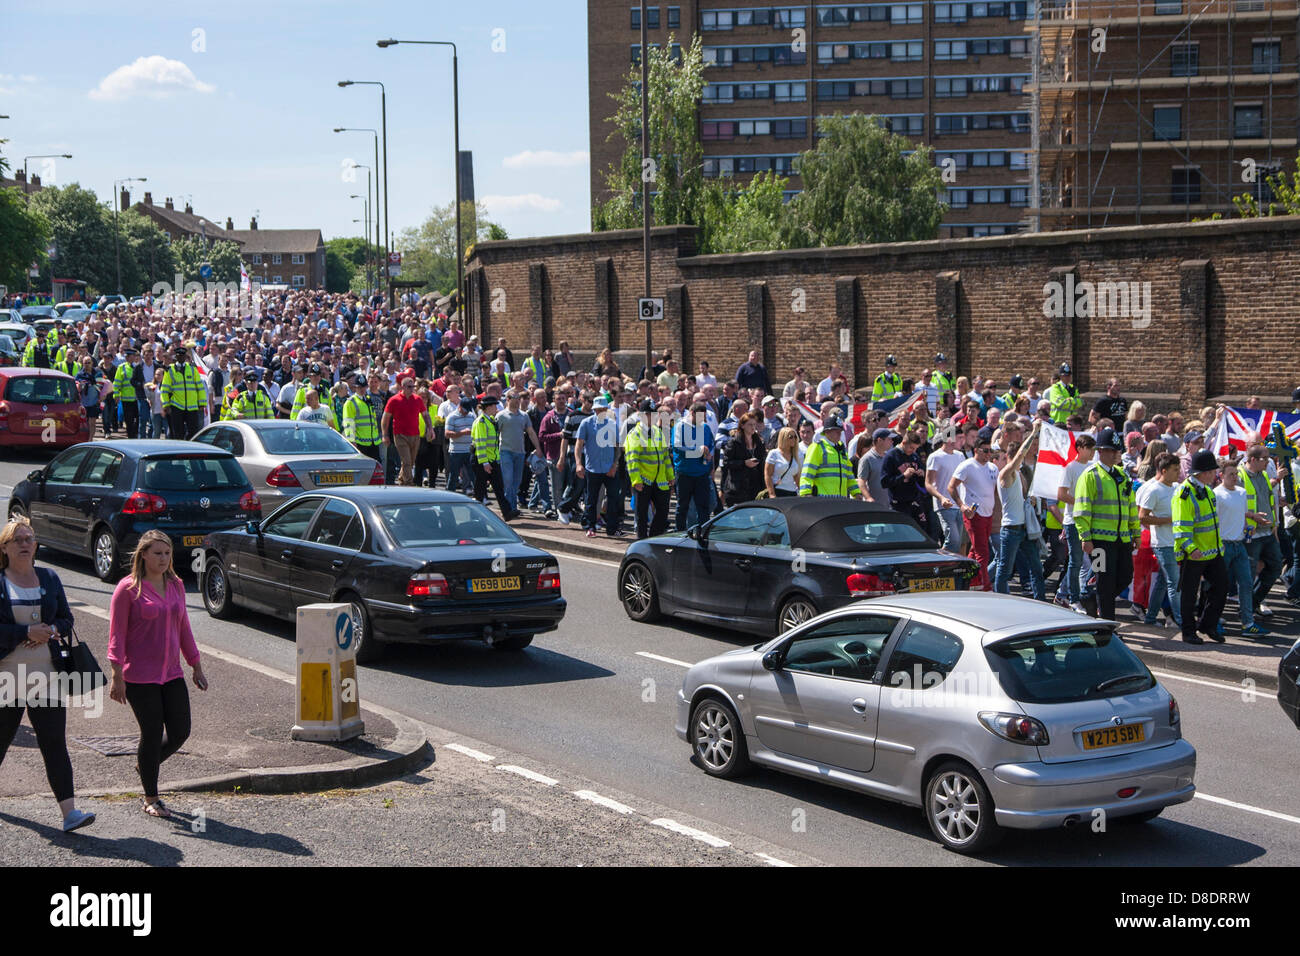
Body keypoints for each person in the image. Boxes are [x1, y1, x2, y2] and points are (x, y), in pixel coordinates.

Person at [0, 518, 95, 833]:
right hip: (7, 677)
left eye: (29, 538)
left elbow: (67, 619)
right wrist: (26, 631)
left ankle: (70, 813)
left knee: (54, 743)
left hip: (47, 676)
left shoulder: (50, 578)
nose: (25, 544)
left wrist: (51, 630)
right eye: (18, 540)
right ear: (5, 548)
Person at [108, 531, 207, 819]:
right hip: (140, 676)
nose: (163, 559)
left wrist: (195, 664)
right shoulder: (128, 589)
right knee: (151, 734)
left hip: (171, 673)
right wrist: (117, 675)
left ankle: (146, 764)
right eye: (157, 553)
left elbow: (183, 627)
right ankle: (151, 796)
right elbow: (117, 635)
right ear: (143, 556)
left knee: (180, 731)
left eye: (167, 553)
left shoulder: (175, 584)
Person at [1073, 427, 1139, 621]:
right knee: (1105, 581)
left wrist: (1135, 533)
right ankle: (1108, 624)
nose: (1114, 454)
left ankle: (1092, 597)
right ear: (1100, 451)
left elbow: (1130, 507)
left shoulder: (1123, 475)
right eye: (1110, 450)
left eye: (1116, 451)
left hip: (1122, 539)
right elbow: (1082, 510)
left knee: (1126, 576)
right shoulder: (1090, 475)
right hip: (1100, 541)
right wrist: (1085, 537)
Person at [1173, 451, 1228, 645]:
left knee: (1222, 587)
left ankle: (1207, 625)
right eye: (1212, 471)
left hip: (1212, 552)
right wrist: (1189, 548)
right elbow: (1180, 526)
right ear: (1202, 473)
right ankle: (1188, 632)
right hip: (1194, 554)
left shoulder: (1208, 491)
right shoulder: (1184, 493)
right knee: (1189, 595)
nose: (1215, 474)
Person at [993, 423, 1047, 600]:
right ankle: (1001, 601)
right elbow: (1020, 455)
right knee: (1004, 571)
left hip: (1024, 528)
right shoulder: (1005, 473)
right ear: (1012, 456)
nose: (1022, 460)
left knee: (1037, 568)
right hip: (1011, 529)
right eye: (1019, 457)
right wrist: (1034, 432)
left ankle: (1041, 601)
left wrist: (1029, 501)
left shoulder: (1021, 474)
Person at [1136, 453, 1184, 629]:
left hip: (1175, 542)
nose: (1178, 473)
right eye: (1174, 470)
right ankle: (1179, 620)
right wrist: (1167, 520)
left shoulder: (1177, 487)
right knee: (1174, 582)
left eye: (1179, 469)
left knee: (1164, 583)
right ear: (1164, 471)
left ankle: (1150, 618)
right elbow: (1142, 517)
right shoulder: (1154, 490)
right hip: (1163, 543)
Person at [1241, 444, 1284, 620]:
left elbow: (1267, 497)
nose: (1268, 462)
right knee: (1248, 575)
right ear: (1253, 460)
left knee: (1275, 567)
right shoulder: (1239, 476)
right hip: (1250, 533)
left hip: (1267, 531)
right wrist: (1252, 517)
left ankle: (1253, 603)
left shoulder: (1264, 474)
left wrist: (1274, 525)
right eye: (1265, 459)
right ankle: (1246, 613)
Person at [949, 439, 999, 590]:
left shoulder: (993, 467)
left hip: (988, 514)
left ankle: (964, 581)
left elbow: (996, 490)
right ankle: (985, 586)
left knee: (975, 550)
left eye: (990, 451)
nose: (988, 454)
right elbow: (951, 486)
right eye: (985, 450)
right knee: (983, 552)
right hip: (973, 515)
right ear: (976, 450)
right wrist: (962, 505)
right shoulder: (967, 465)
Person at [1055, 432, 1096, 612]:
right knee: (1077, 560)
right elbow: (1061, 494)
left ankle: (1063, 594)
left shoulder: (1092, 467)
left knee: (1085, 561)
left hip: (1089, 520)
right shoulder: (1070, 468)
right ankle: (1073, 598)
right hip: (1072, 520)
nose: (1092, 452)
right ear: (1079, 448)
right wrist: (1082, 504)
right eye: (1089, 448)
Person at [575, 397, 625, 538]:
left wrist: (614, 465)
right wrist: (579, 464)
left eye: (604, 409)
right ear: (595, 410)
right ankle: (590, 526)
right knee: (591, 499)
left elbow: (618, 448)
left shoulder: (612, 424)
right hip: (593, 468)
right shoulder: (586, 423)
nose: (601, 411)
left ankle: (612, 528)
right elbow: (579, 445)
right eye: (599, 409)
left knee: (613, 498)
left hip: (609, 468)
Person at [625, 400, 674, 538]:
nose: (651, 417)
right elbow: (632, 459)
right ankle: (642, 540)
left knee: (663, 511)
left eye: (653, 414)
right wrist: (636, 480)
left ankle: (653, 538)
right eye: (647, 414)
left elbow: (665, 457)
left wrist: (670, 476)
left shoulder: (658, 432)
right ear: (641, 415)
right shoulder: (635, 434)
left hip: (660, 480)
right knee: (641, 514)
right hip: (644, 480)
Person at [471, 395, 518, 519]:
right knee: (480, 490)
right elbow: (480, 443)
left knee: (498, 487)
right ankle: (474, 515)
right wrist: (485, 463)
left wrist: (494, 460)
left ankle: (507, 512)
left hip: (491, 460)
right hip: (483, 461)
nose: (496, 408)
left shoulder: (490, 420)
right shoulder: (481, 422)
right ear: (489, 407)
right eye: (494, 405)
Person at [381, 376, 432, 487]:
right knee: (407, 461)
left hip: (415, 435)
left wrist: (430, 428)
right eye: (409, 387)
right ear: (403, 387)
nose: (412, 389)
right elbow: (385, 418)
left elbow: (425, 415)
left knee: (410, 462)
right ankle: (409, 484)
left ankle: (401, 480)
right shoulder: (394, 400)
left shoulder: (417, 399)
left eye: (413, 386)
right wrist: (385, 435)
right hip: (400, 435)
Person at [882, 430, 930, 531]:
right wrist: (903, 476)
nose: (913, 451)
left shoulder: (914, 456)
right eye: (911, 448)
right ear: (903, 443)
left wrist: (921, 474)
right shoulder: (890, 456)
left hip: (915, 501)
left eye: (915, 449)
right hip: (898, 504)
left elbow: (921, 483)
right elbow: (884, 482)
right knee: (903, 533)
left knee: (922, 531)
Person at [799, 414, 852, 497]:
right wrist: (806, 493)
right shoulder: (817, 447)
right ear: (827, 432)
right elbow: (807, 473)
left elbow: (849, 475)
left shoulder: (842, 450)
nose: (839, 433)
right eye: (836, 430)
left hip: (842, 501)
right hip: (822, 501)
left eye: (840, 431)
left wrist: (857, 492)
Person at [723, 412, 766, 506]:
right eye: (750, 424)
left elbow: (763, 460)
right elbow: (726, 462)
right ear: (742, 425)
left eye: (754, 424)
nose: (753, 427)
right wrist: (744, 463)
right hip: (738, 487)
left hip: (755, 486)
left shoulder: (759, 441)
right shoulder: (734, 442)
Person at [343, 374, 382, 462]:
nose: (362, 389)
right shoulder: (350, 402)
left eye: (364, 387)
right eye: (359, 387)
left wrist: (376, 436)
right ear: (355, 388)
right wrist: (351, 441)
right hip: (360, 442)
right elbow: (348, 423)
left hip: (373, 441)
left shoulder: (368, 399)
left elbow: (373, 419)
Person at [765, 426, 803, 498]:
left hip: (792, 492)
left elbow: (796, 476)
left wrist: (802, 490)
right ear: (783, 438)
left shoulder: (795, 454)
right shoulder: (774, 453)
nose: (794, 439)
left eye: (795, 436)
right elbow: (768, 475)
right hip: (778, 491)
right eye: (790, 437)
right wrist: (771, 493)